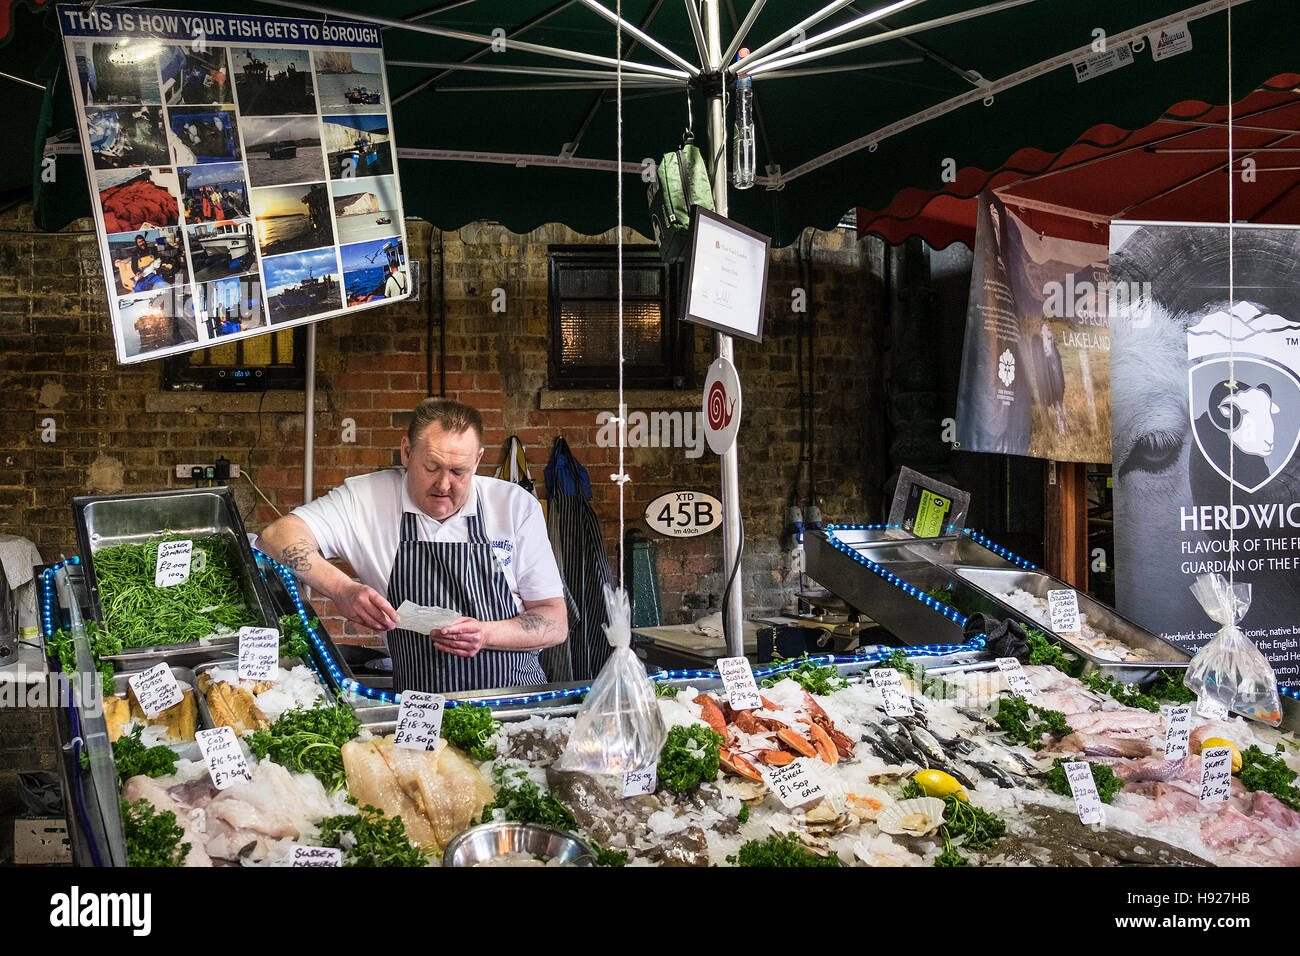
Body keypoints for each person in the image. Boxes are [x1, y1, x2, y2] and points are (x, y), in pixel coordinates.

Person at [256, 398, 568, 694]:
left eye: (459, 472)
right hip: (418, 711)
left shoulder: (514, 507)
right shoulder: (366, 499)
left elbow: (554, 622)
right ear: (407, 452)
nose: (444, 485)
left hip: (513, 701)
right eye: (431, 467)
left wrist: (485, 634)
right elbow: (275, 537)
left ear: (477, 461)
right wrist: (342, 589)